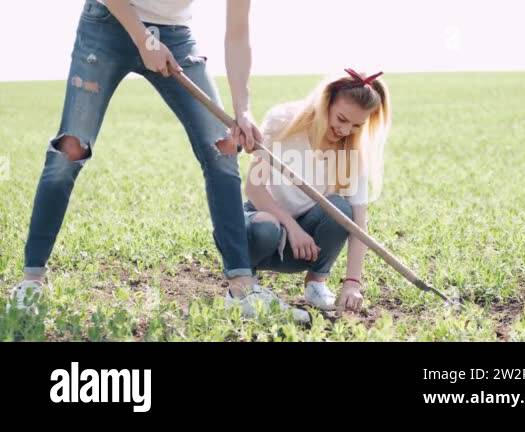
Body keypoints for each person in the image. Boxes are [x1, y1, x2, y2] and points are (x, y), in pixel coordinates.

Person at [9, 0, 310, 323]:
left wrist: (243, 109)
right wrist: (145, 40)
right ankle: (31, 282)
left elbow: (237, 33)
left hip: (176, 37)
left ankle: (242, 289)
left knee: (222, 148)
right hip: (108, 23)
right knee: (70, 149)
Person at [238, 68, 391, 313]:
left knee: (341, 208)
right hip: (261, 228)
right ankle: (246, 285)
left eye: (356, 125)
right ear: (325, 102)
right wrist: (292, 226)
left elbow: (358, 224)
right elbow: (253, 189)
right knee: (266, 226)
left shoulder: (350, 152)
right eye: (341, 119)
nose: (345, 130)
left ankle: (316, 283)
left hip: (305, 247)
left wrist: (353, 283)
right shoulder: (282, 121)